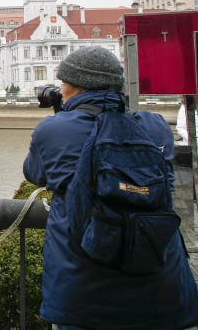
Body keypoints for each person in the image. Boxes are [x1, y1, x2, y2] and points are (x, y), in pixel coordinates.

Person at [23, 46, 198, 330]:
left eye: (63, 83)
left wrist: (60, 116)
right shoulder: (154, 126)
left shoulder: (54, 130)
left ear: (76, 87)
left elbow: (35, 173)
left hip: (83, 295)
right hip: (164, 292)